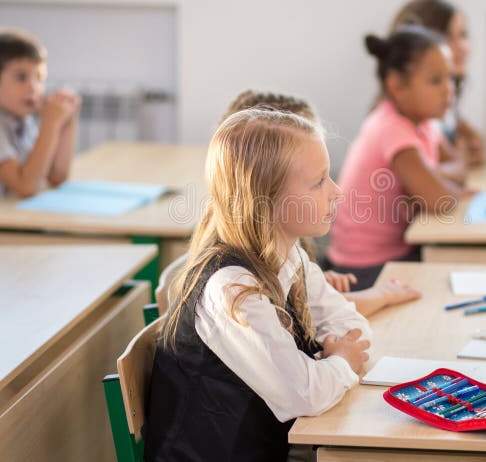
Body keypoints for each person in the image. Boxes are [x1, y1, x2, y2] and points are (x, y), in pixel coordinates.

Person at [145, 108, 372, 461]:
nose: (337, 191)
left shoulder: (288, 255)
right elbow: (303, 394)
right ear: (265, 199)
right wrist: (340, 361)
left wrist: (333, 358)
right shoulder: (231, 289)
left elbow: (351, 325)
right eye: (318, 182)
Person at [223, 90, 421, 316]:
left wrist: (315, 285)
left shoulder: (288, 245)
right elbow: (309, 315)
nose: (335, 191)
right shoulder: (241, 279)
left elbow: (309, 306)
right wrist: (382, 295)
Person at [327, 25, 470, 288]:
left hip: (393, 253)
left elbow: (460, 167)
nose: (448, 89)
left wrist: (432, 176)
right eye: (435, 80)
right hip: (365, 269)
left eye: (450, 78)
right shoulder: (391, 128)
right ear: (397, 86)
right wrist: (436, 180)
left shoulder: (424, 123)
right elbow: (441, 200)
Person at [0, 27, 80, 241]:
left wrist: (67, 121)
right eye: (21, 78)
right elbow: (26, 185)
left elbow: (57, 176)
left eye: (39, 78)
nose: (34, 88)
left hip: (18, 229)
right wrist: (50, 124)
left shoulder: (23, 121)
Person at [390, 0, 486, 166]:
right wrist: (462, 158)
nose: (463, 47)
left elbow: (466, 146)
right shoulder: (405, 117)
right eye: (448, 37)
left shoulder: (444, 104)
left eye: (463, 35)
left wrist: (471, 143)